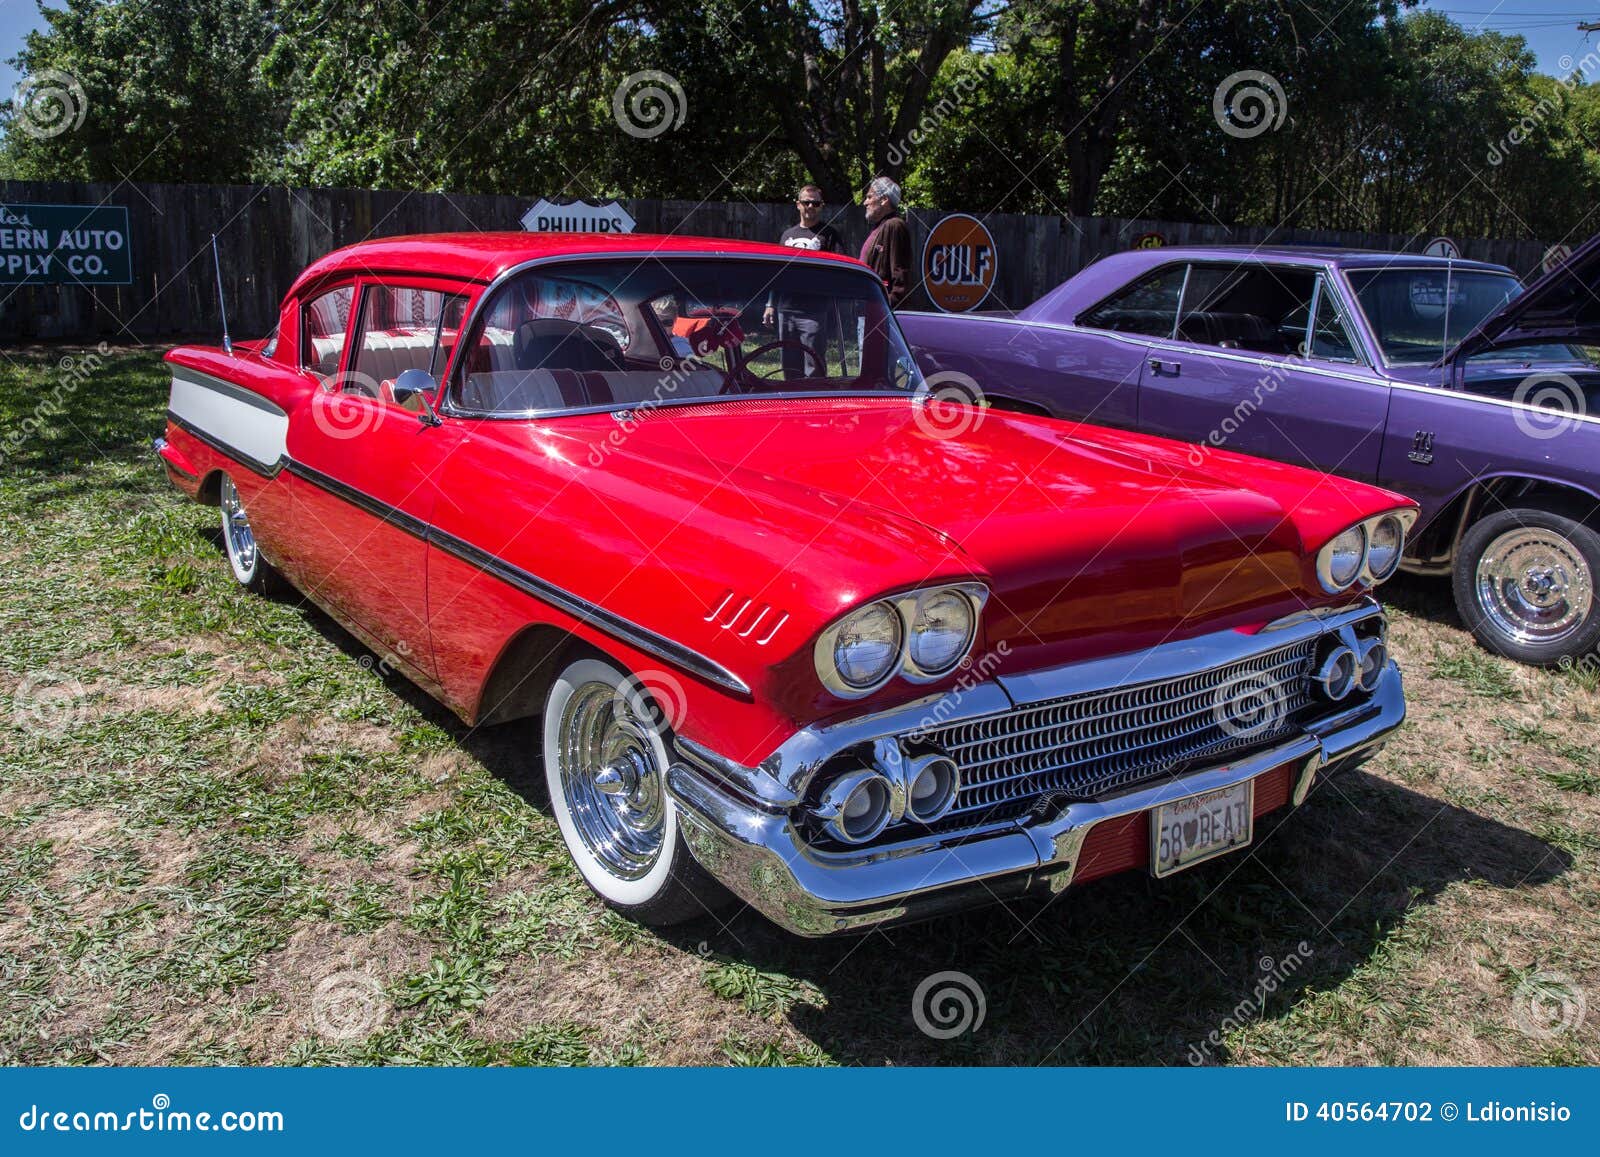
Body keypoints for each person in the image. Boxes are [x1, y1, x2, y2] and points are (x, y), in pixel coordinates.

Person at [763, 184, 843, 379]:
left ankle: (814, 397)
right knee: (789, 366)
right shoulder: (787, 236)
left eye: (815, 203)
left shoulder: (830, 235)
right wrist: (770, 304)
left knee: (814, 366)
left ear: (821, 206)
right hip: (786, 310)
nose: (810, 207)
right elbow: (777, 274)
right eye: (806, 202)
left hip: (814, 311)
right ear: (798, 204)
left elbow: (840, 270)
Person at [860, 176, 912, 308]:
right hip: (870, 305)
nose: (865, 203)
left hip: (880, 309)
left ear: (884, 200)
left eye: (869, 197)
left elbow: (900, 274)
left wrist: (887, 306)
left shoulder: (894, 225)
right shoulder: (880, 226)